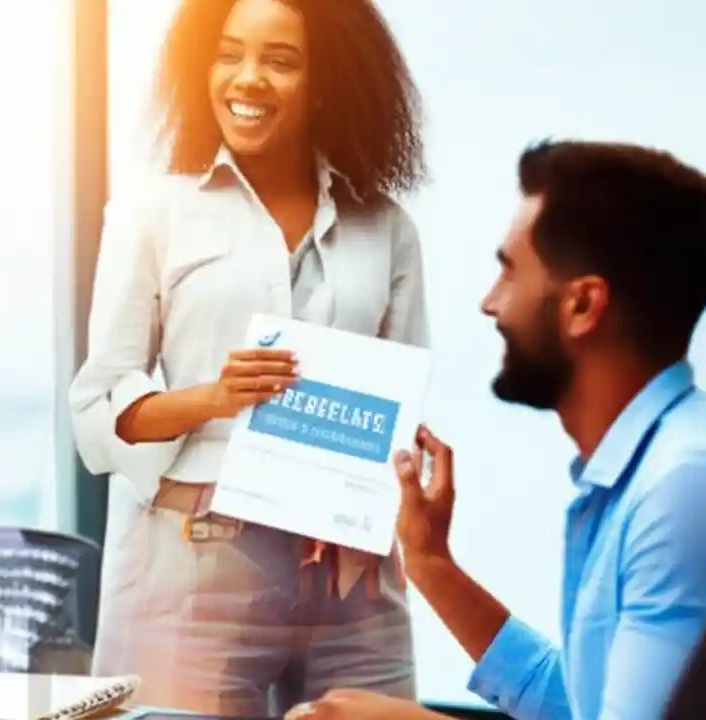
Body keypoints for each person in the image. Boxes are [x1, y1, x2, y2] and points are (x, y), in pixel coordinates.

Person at [69, 0, 427, 714]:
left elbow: (403, 409)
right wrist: (214, 396)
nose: (248, 78)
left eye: (281, 61)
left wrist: (368, 509)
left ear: (328, 80)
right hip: (198, 556)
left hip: (347, 569)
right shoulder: (154, 213)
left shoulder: (383, 225)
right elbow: (95, 411)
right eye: (228, 54)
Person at [295, 141, 706, 719]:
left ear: (583, 305)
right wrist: (430, 562)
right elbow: (584, 704)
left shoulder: (680, 487)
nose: (490, 304)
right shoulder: (651, 469)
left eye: (510, 272)